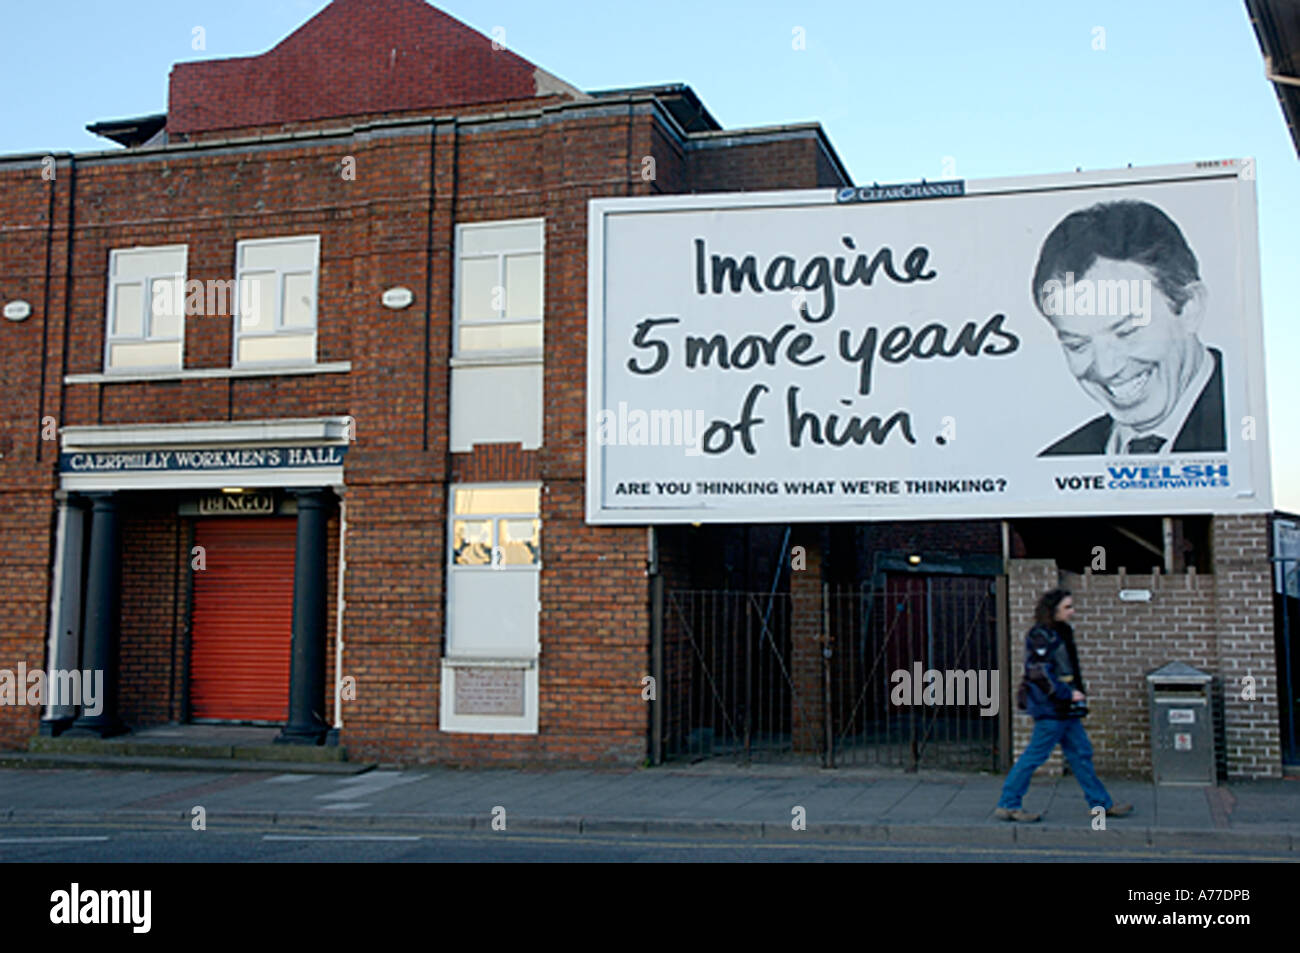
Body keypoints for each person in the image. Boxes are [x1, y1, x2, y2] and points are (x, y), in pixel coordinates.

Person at [1031, 200, 1226, 457]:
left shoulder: (1253, 423)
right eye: (1077, 345)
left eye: (1126, 332)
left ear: (1190, 307)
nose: (1106, 368)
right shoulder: (1059, 460)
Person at [994, 588, 1133, 822]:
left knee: (1081, 753)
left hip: (1064, 708)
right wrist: (1067, 694)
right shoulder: (1041, 635)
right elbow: (1039, 672)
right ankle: (1008, 803)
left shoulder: (1060, 632)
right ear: (1053, 610)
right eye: (1067, 607)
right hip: (1052, 708)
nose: (1072, 611)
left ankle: (1100, 803)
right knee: (1035, 756)